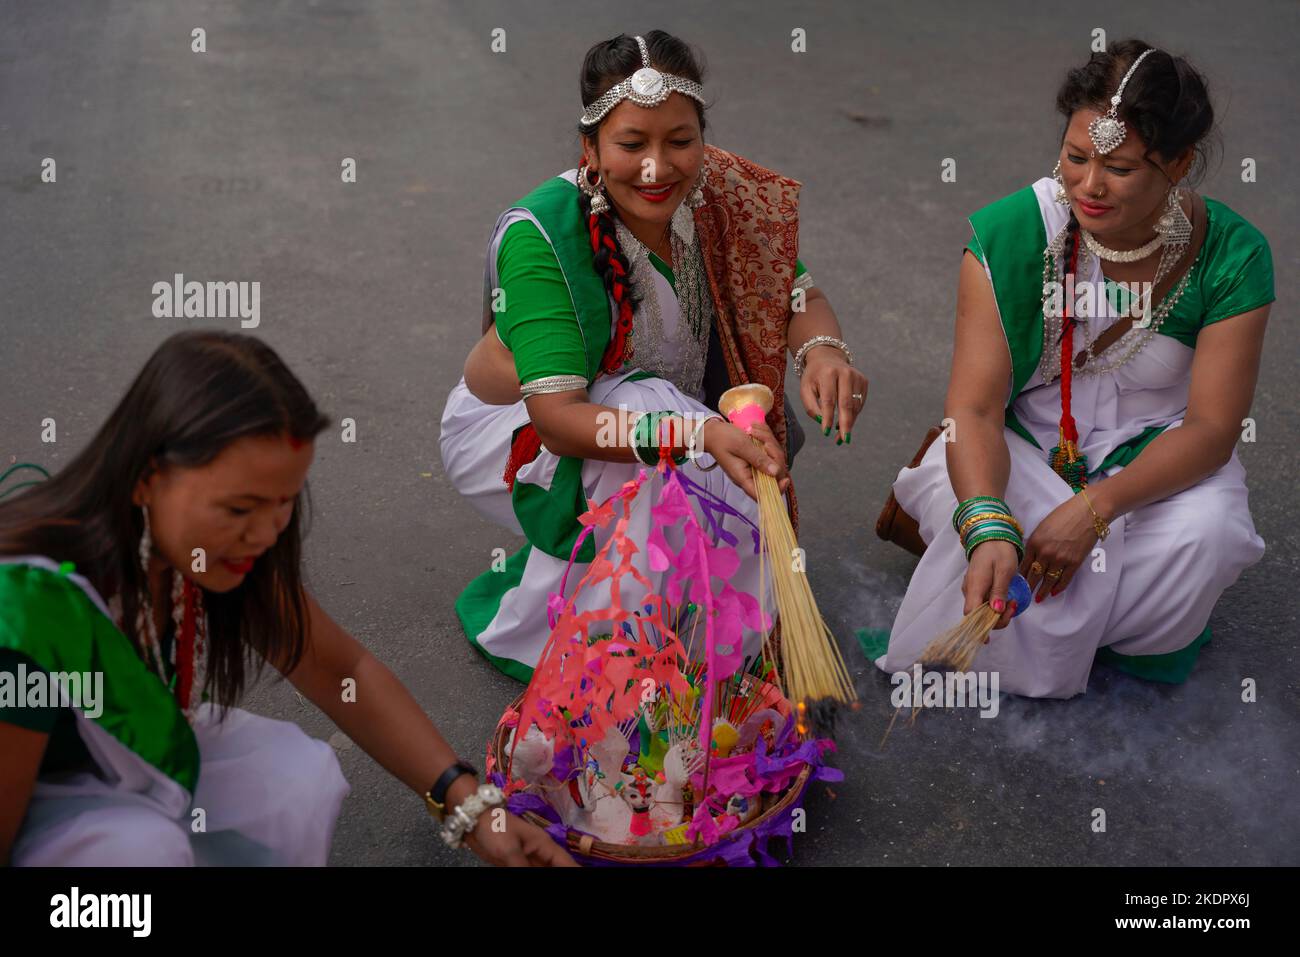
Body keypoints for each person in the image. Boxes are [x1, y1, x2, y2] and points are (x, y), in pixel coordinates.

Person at [0, 331, 574, 866]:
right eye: (239, 508)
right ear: (148, 478)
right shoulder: (27, 610)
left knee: (294, 781)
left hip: (114, 772)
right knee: (140, 850)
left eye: (282, 504)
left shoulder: (208, 544)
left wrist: (470, 806)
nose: (264, 535)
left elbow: (335, 668)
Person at [440, 31, 868, 681]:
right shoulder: (545, 236)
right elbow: (556, 417)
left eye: (680, 140)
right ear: (590, 149)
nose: (657, 167)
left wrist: (823, 350)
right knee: (659, 431)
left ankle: (715, 646)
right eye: (631, 143)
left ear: (704, 137)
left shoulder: (720, 193)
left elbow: (793, 289)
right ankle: (624, 663)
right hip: (519, 434)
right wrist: (700, 433)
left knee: (726, 442)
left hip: (669, 416)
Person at [868, 39, 1272, 698]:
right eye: (1076, 157)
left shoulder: (1232, 256)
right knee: (977, 511)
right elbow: (972, 410)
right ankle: (1058, 616)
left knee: (1211, 537)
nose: (1088, 184)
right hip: (1025, 449)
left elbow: (1211, 428)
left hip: (1154, 462)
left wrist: (1094, 510)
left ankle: (1086, 630)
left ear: (1178, 163)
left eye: (1119, 167)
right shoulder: (1014, 234)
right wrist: (988, 522)